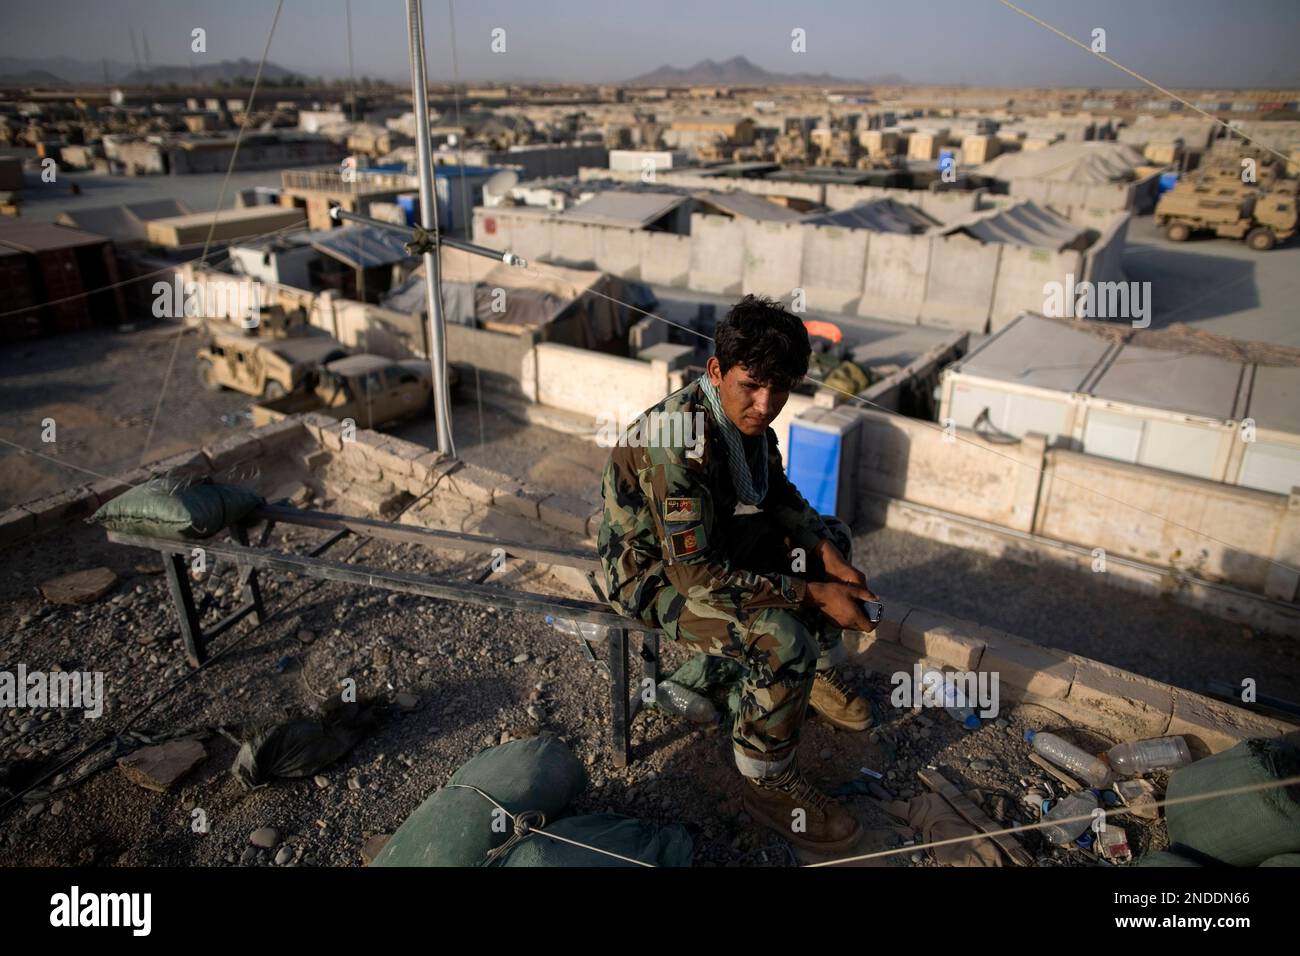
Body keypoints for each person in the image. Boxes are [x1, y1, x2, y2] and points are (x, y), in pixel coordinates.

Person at [597, 294, 880, 853]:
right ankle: (767, 782)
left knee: (832, 536)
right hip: (653, 573)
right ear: (716, 371)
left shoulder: (747, 424)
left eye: (779, 389)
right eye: (751, 385)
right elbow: (696, 577)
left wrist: (824, 554)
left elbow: (775, 491)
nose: (765, 403)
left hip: (710, 544)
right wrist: (811, 594)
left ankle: (811, 678)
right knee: (780, 637)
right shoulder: (676, 444)